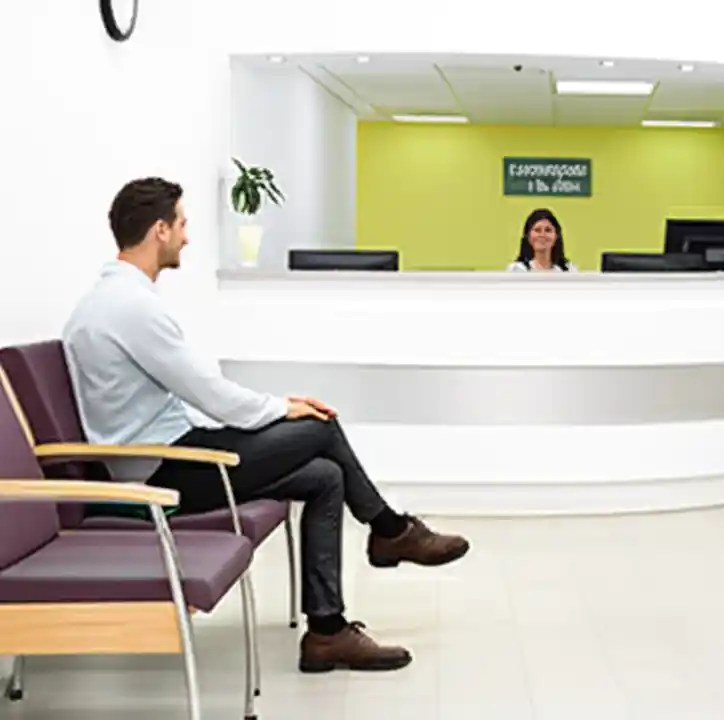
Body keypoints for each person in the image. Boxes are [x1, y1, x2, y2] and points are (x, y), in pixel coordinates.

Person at [63, 177, 472, 674]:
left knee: (326, 476)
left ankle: (327, 632)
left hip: (171, 454)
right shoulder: (131, 309)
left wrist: (279, 407)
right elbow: (209, 393)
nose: (188, 237)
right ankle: (390, 530)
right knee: (321, 428)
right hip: (162, 475)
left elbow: (189, 399)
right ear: (159, 230)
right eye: (184, 225)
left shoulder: (105, 302)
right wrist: (281, 408)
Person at [507, 208, 577, 272]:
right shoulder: (517, 270)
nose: (542, 235)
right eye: (537, 230)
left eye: (548, 230)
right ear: (528, 236)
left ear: (556, 236)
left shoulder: (569, 270)